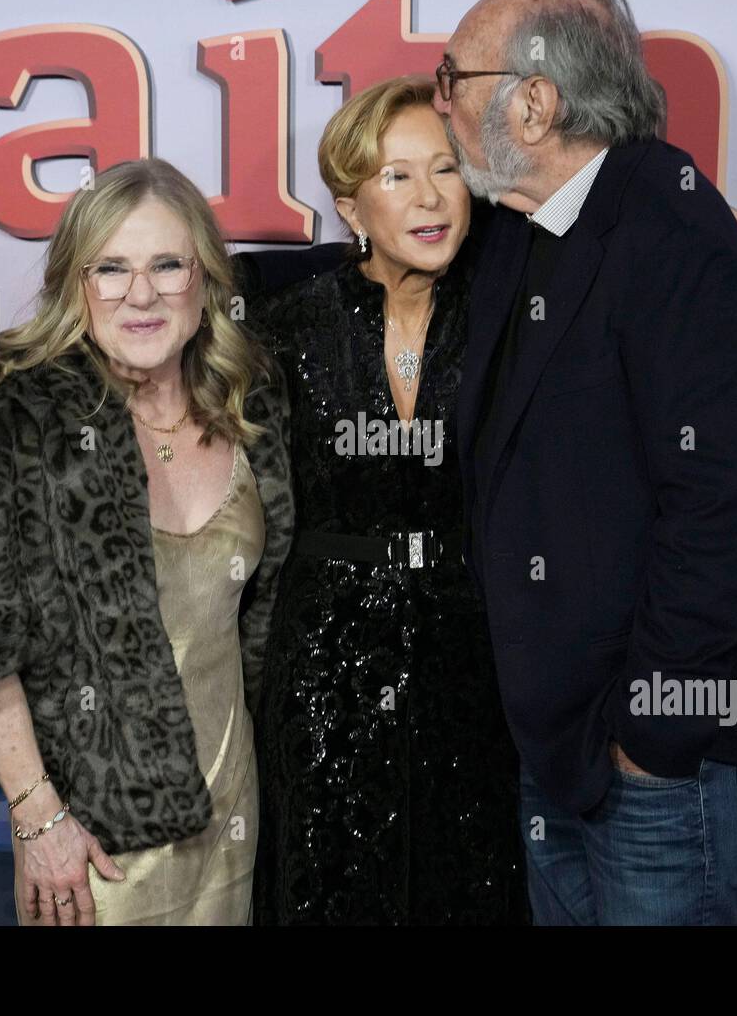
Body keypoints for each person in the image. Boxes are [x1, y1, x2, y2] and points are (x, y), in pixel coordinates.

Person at [434, 0, 737, 925]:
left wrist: (646, 740)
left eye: (451, 78)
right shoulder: (526, 225)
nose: (440, 104)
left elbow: (720, 510)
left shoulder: (671, 229)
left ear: (536, 103)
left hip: (658, 773)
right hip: (562, 755)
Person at [0, 158, 293, 925]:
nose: (141, 294)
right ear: (77, 286)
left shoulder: (251, 414)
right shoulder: (16, 429)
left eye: (167, 264)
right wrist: (38, 819)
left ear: (204, 280)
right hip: (93, 846)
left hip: (235, 816)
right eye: (111, 268)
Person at [246, 76, 529, 924]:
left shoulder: (511, 314)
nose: (431, 196)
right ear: (351, 206)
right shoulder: (286, 324)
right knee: (331, 883)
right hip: (323, 656)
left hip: (472, 649)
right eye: (397, 176)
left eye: (445, 169)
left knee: (469, 883)